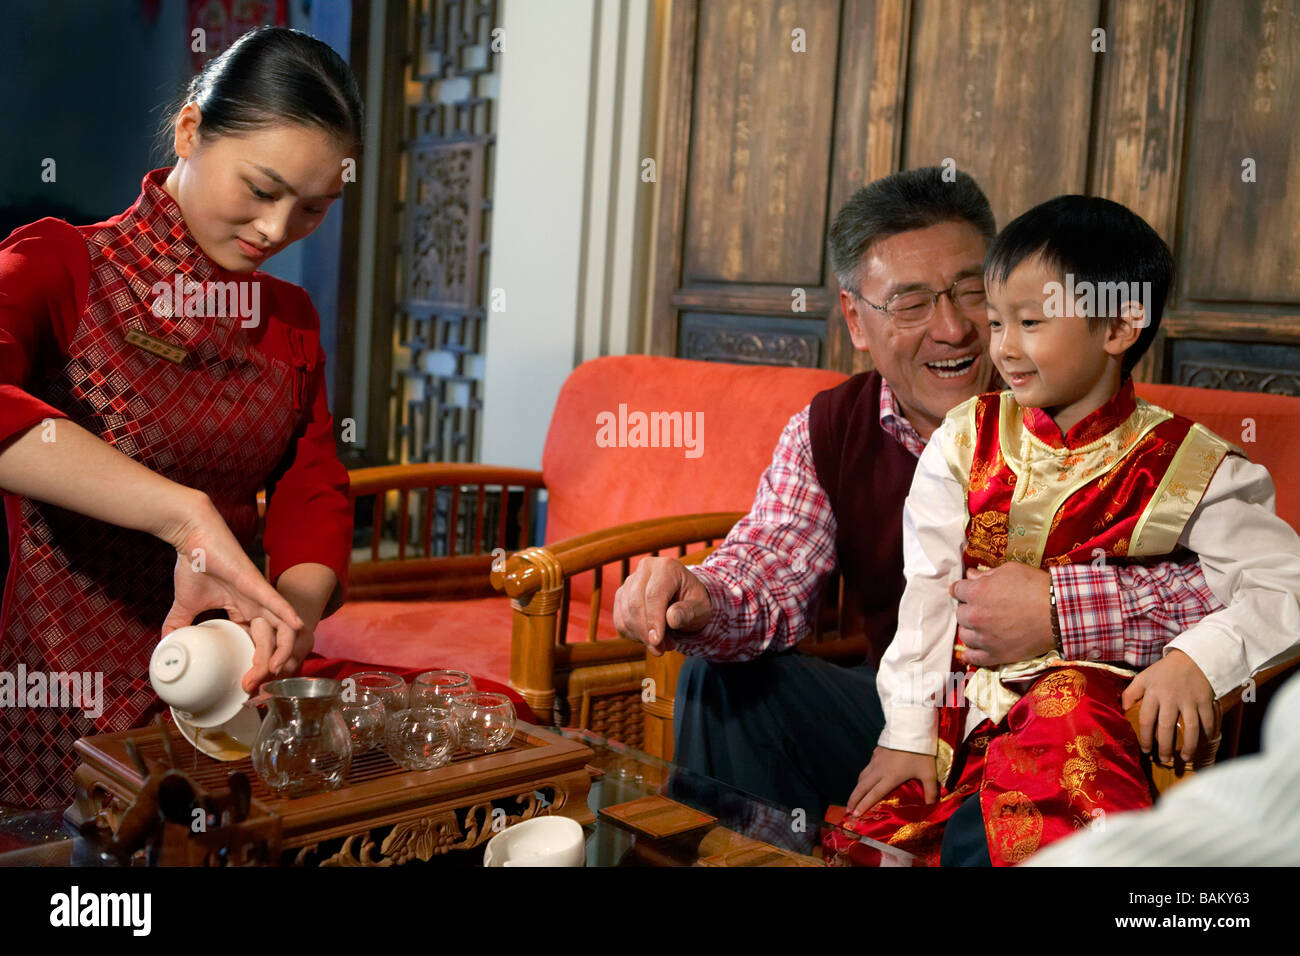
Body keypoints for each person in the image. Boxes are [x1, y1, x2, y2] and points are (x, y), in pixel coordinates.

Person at [613, 168, 1224, 863]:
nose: (955, 327)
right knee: (720, 678)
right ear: (855, 321)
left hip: (1069, 735)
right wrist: (701, 596)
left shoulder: (1094, 414)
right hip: (908, 721)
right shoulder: (832, 427)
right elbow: (771, 566)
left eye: (972, 292)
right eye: (910, 303)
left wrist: (1060, 608)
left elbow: (1237, 590)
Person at [827, 195, 1300, 865]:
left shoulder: (1188, 463)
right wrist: (907, 731)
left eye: (1030, 322)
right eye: (997, 322)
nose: (1004, 348)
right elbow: (928, 591)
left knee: (1064, 703)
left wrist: (1202, 658)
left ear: (1121, 326)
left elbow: (1286, 582)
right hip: (972, 713)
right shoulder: (966, 440)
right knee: (885, 829)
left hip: (1094, 723)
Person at [0, 27, 358, 809]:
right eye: (261, 190)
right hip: (49, 670)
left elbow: (314, 488)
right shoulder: (63, 267)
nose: (275, 230)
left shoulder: (288, 317)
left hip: (223, 673)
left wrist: (281, 623)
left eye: (312, 209)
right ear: (190, 131)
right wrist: (184, 516)